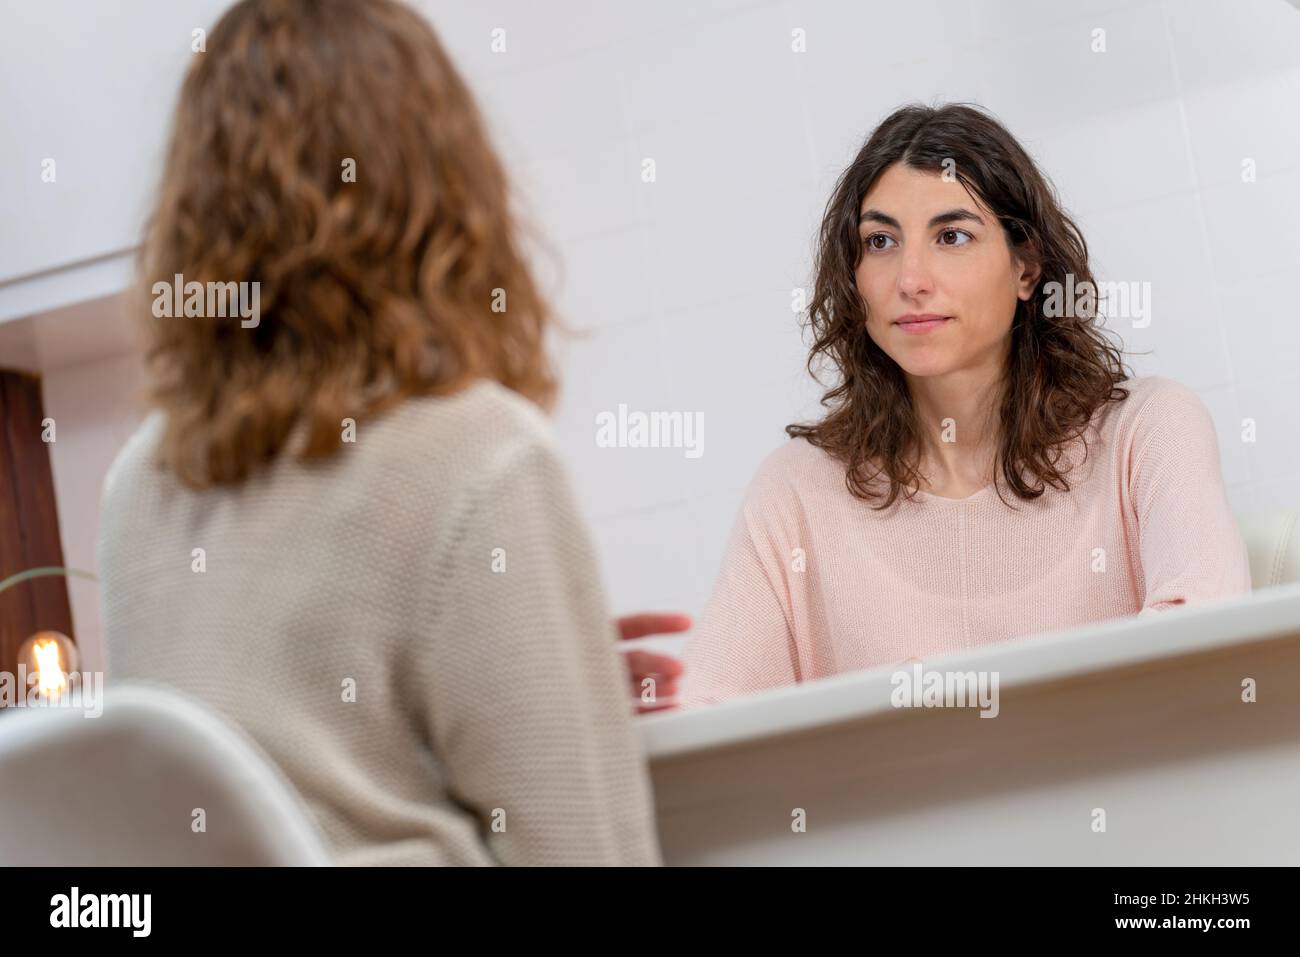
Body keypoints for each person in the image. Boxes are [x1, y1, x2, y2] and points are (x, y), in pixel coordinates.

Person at [98, 0, 681, 866]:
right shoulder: (480, 453)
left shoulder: (139, 487)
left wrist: (545, 686)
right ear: (443, 182)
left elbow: (300, 768)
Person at [679, 103, 1252, 707]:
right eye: (880, 241)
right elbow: (706, 714)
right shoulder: (794, 489)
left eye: (951, 236)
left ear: (1026, 267)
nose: (911, 279)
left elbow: (1204, 658)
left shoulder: (1150, 430)